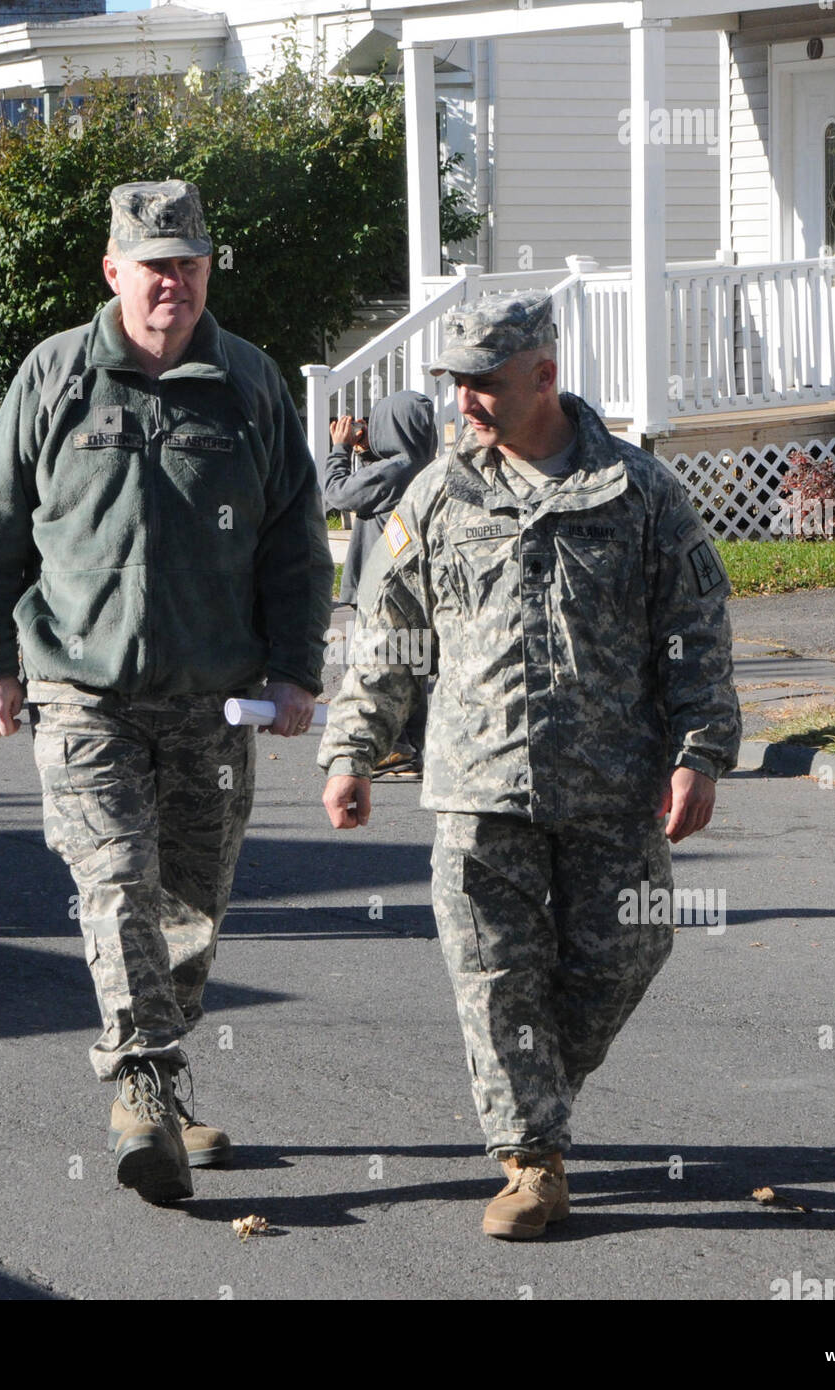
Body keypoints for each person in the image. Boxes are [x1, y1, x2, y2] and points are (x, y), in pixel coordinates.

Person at [318, 292, 740, 1239]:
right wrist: (351, 750)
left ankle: (534, 1086)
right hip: (475, 787)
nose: (465, 401)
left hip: (611, 784)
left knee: (628, 951)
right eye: (456, 383)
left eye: (485, 383)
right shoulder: (434, 495)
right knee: (493, 976)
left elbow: (696, 629)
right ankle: (531, 1162)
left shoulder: (639, 493)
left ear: (544, 376)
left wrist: (700, 752)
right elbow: (388, 637)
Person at [0, 179, 334, 1205]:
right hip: (82, 693)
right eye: (154, 264)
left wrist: (297, 669)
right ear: (113, 270)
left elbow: (296, 545)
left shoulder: (248, 383)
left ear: (206, 269)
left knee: (191, 911)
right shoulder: (56, 377)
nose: (172, 281)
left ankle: (163, 1082)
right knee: (115, 882)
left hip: (214, 701)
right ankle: (141, 1087)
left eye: (189, 263)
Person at [323, 390, 437, 776]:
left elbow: (338, 494)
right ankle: (413, 748)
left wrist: (339, 450)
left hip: (376, 590)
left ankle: (393, 748)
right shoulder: (421, 466)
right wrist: (368, 450)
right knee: (412, 669)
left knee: (372, 668)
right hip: (412, 589)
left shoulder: (393, 469)